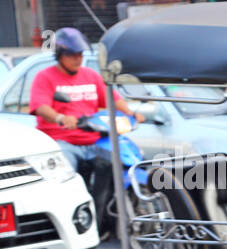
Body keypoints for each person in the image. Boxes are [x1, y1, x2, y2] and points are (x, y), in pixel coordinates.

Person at [30, 27, 144, 174]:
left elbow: (113, 99)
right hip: (62, 142)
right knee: (65, 176)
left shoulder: (91, 75)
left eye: (80, 54)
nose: (78, 59)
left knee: (124, 162)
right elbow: (41, 107)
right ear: (59, 55)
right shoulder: (44, 77)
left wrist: (131, 114)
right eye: (71, 55)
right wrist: (61, 118)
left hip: (94, 140)